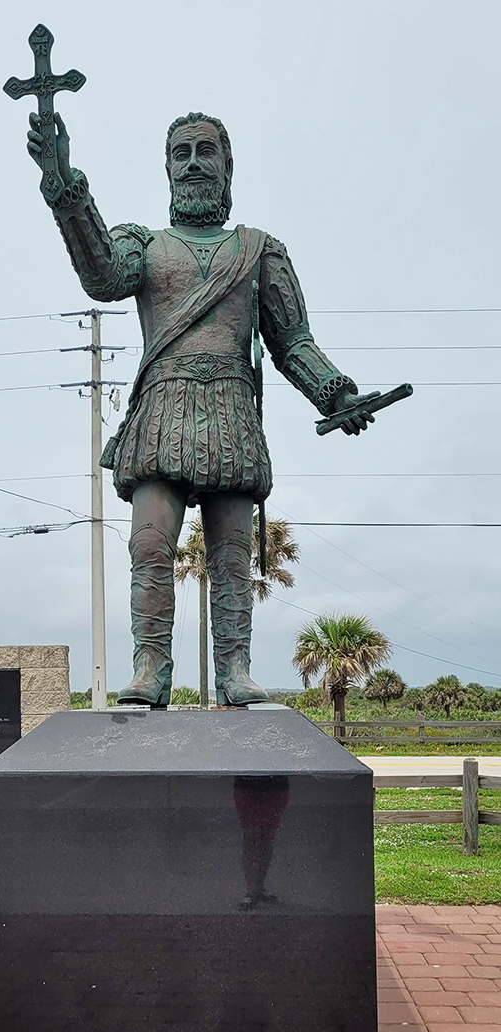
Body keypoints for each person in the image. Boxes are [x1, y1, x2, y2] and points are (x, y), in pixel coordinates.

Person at [27, 109, 376, 706]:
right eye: (180, 153)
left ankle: (234, 668)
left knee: (231, 555)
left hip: (231, 414)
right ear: (166, 169)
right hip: (162, 407)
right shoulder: (145, 244)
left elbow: (292, 342)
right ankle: (150, 667)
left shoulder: (260, 250)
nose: (192, 163)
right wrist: (66, 192)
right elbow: (102, 275)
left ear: (227, 166)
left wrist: (334, 391)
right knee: (150, 544)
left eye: (204, 151)